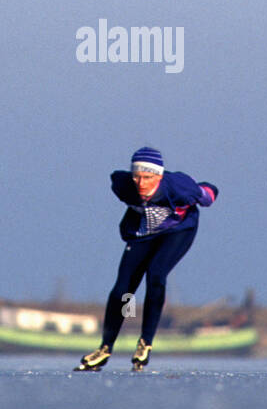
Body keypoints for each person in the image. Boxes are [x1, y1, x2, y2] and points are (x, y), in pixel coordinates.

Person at [76, 147, 217, 372]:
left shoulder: (179, 188)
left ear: (159, 176)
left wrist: (206, 193)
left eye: (148, 178)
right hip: (143, 233)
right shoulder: (123, 185)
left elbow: (209, 194)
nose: (141, 184)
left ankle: (145, 343)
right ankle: (104, 348)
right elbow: (116, 176)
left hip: (177, 231)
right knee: (123, 289)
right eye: (137, 177)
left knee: (156, 274)